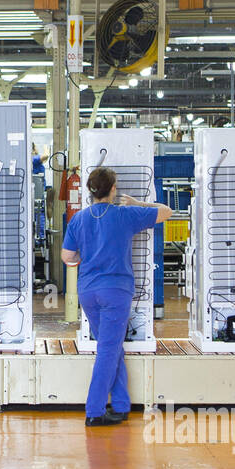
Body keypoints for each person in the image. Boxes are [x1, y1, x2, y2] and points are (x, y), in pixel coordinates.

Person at [62, 167, 172, 427]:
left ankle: (121, 406)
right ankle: (94, 410)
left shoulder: (78, 219)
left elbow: (68, 258)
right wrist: (138, 202)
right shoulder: (125, 214)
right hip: (116, 291)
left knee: (112, 348)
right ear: (113, 189)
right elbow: (167, 212)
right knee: (108, 350)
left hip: (88, 291)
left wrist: (85, 258)